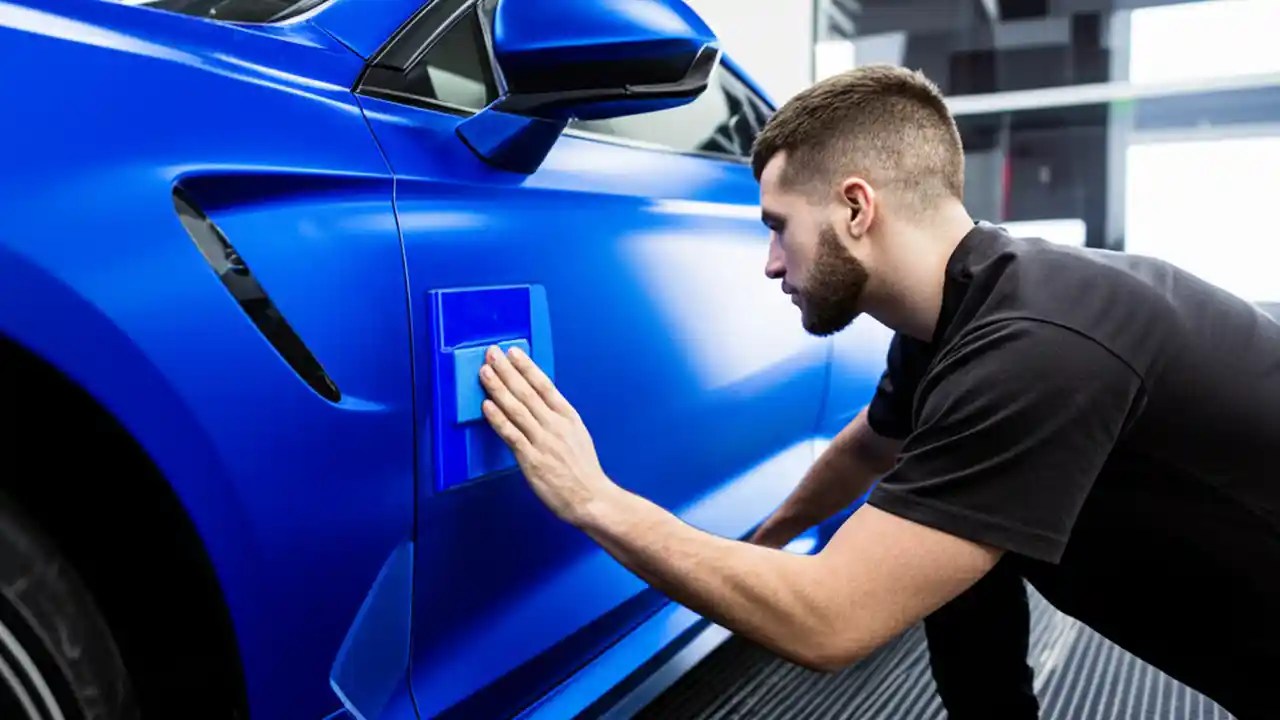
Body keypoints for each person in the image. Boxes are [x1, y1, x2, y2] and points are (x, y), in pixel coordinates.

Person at [474, 64, 1280, 719]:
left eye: (777, 225)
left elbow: (834, 621)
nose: (769, 262)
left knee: (926, 523)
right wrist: (770, 538)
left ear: (856, 207)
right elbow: (870, 446)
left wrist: (593, 499)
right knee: (928, 505)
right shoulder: (965, 312)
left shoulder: (1036, 344)